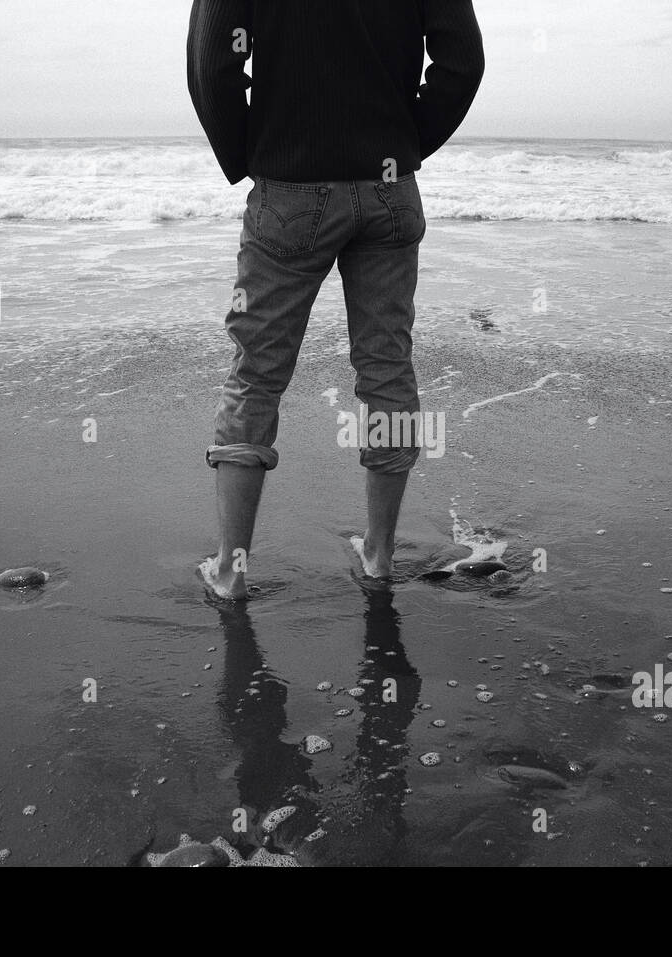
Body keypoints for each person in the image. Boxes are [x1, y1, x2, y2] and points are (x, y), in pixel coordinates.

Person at [188, 0, 484, 599]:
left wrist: (248, 154)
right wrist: (405, 142)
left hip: (289, 187)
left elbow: (213, 63)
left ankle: (231, 570)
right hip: (389, 190)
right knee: (387, 366)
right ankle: (378, 555)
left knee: (256, 374)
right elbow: (462, 61)